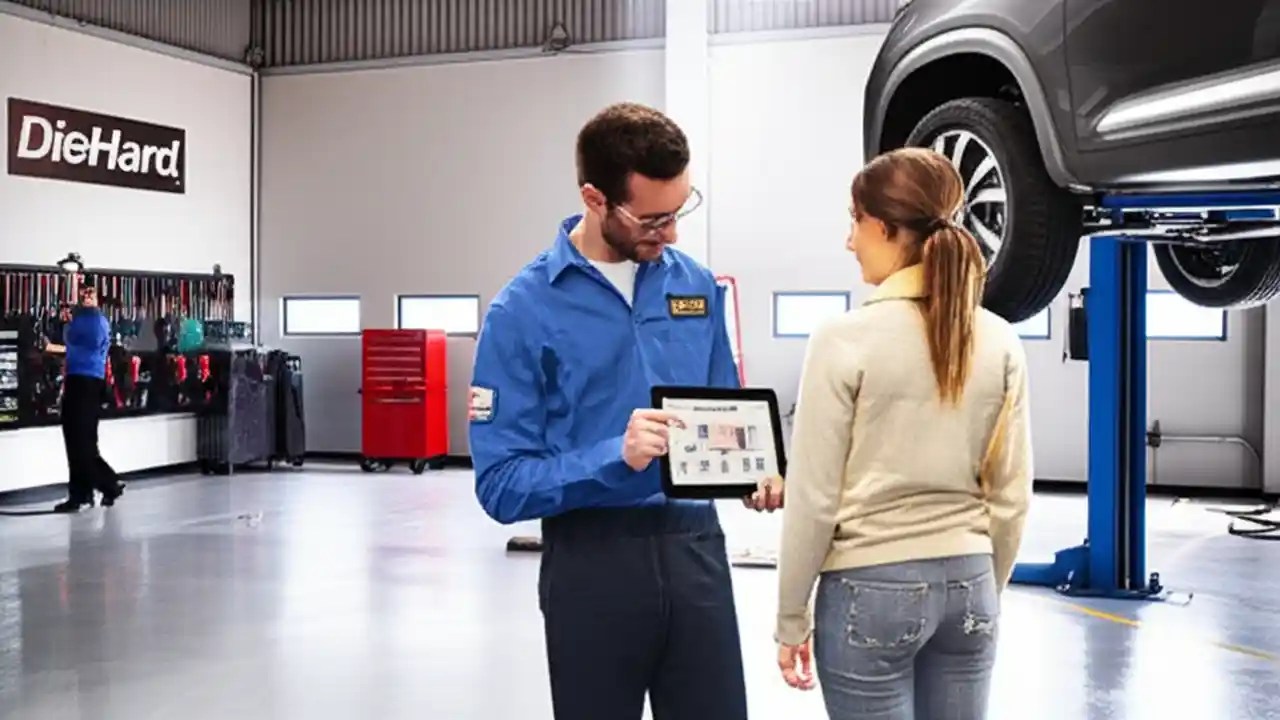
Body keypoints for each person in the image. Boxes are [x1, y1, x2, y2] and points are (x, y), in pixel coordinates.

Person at [469, 101, 782, 720]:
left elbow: (728, 410)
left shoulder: (695, 286)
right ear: (595, 198)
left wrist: (755, 472)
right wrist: (615, 456)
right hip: (592, 564)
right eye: (652, 219)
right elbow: (501, 486)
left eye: (680, 211)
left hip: (697, 554)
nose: (670, 234)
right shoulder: (521, 313)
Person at [772, 147, 1033, 718]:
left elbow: (814, 496)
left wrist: (792, 617)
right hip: (971, 582)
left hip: (870, 588)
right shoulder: (999, 339)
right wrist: (985, 590)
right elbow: (1012, 495)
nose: (849, 240)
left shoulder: (845, 340)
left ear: (886, 228)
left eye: (854, 221)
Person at [48, 285, 125, 513]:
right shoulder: (85, 319)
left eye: (90, 293)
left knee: (80, 441)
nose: (86, 297)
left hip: (86, 381)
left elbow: (74, 341)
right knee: (79, 440)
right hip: (80, 379)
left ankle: (107, 484)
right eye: (83, 293)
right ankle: (82, 493)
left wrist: (67, 323)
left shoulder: (94, 321)